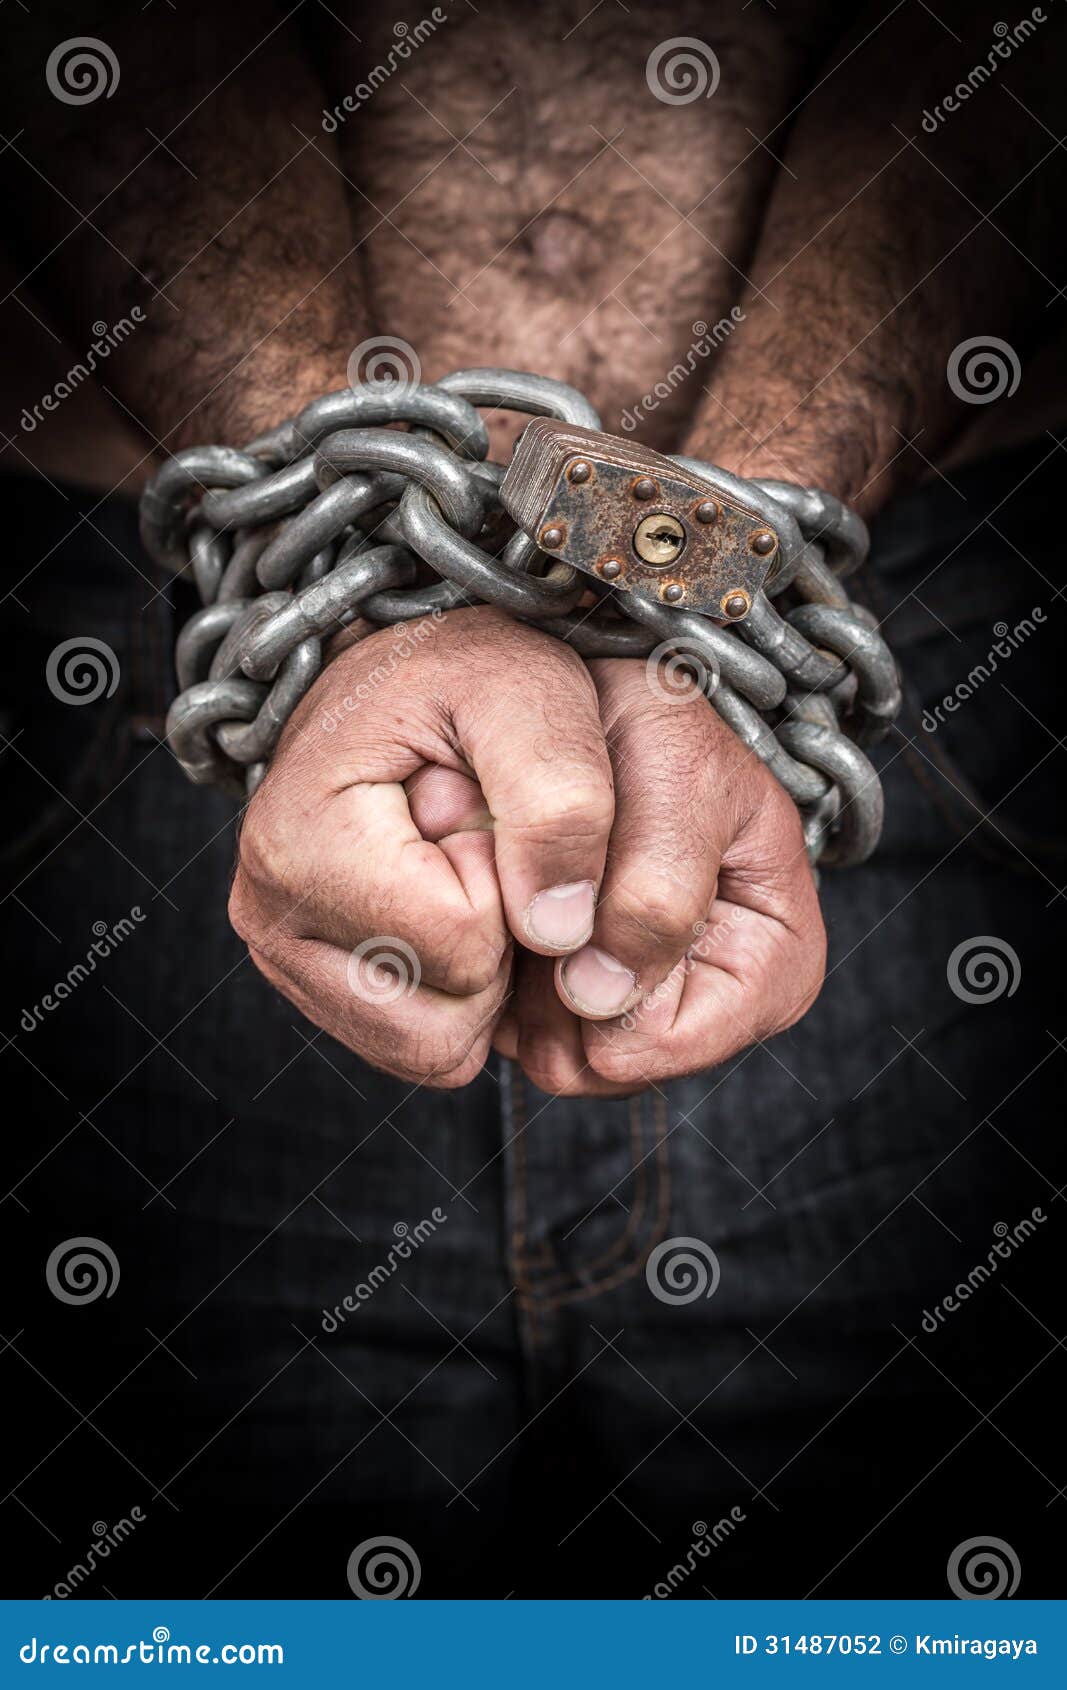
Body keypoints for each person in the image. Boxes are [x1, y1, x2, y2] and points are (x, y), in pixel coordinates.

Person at [1, 0, 1063, 1597]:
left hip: (904, 607)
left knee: (901, 1592)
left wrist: (721, 577)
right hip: (167, 608)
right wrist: (370, 599)